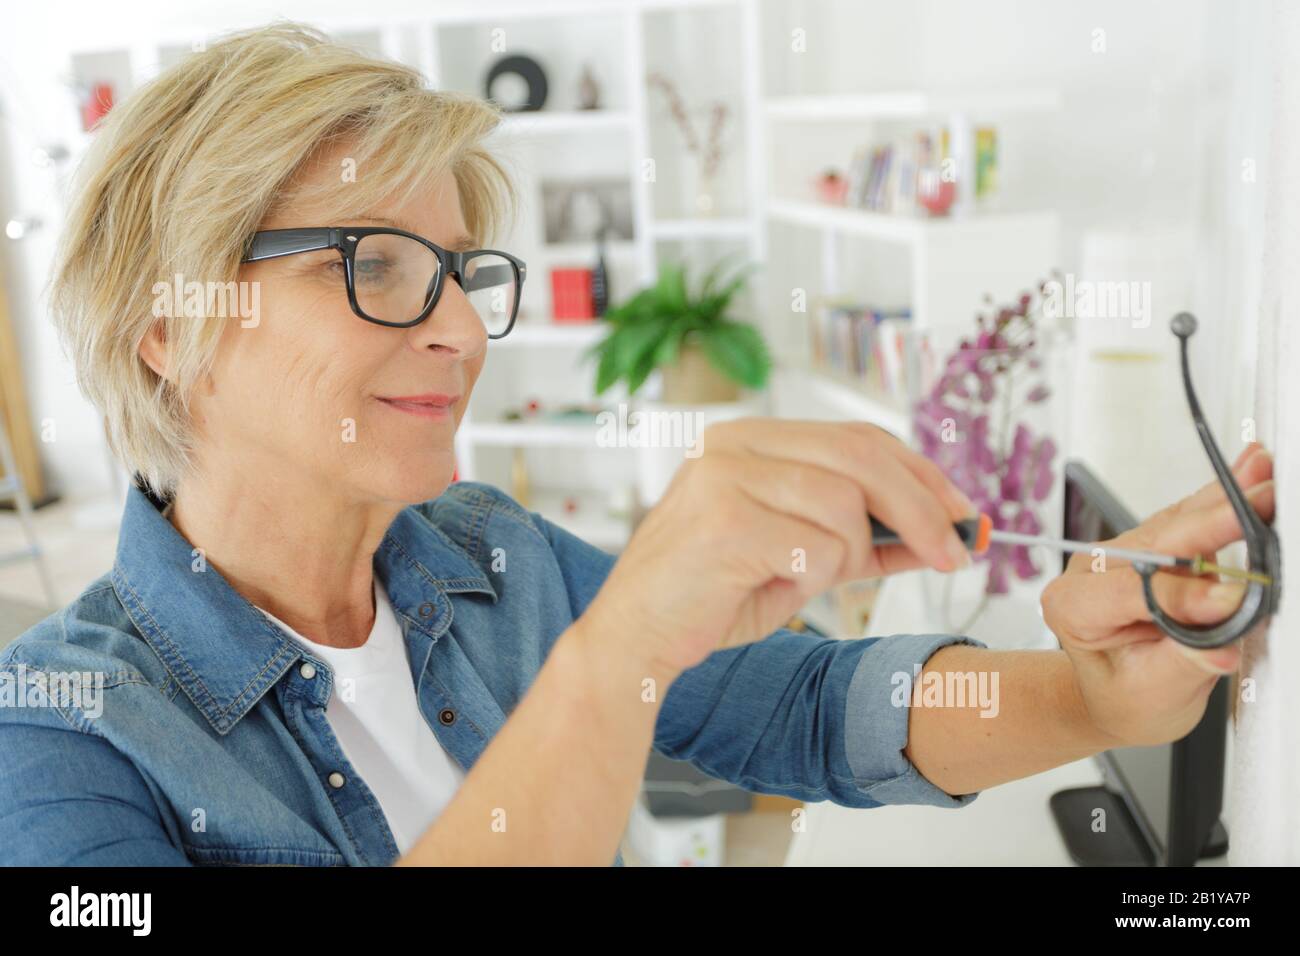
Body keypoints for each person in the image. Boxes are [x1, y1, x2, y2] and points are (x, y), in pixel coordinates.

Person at [0, 24, 1273, 866]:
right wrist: (617, 653)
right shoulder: (58, 736)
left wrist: (1089, 693)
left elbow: (809, 707)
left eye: (460, 270)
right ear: (168, 325)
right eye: (374, 264)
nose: (460, 328)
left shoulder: (486, 556)